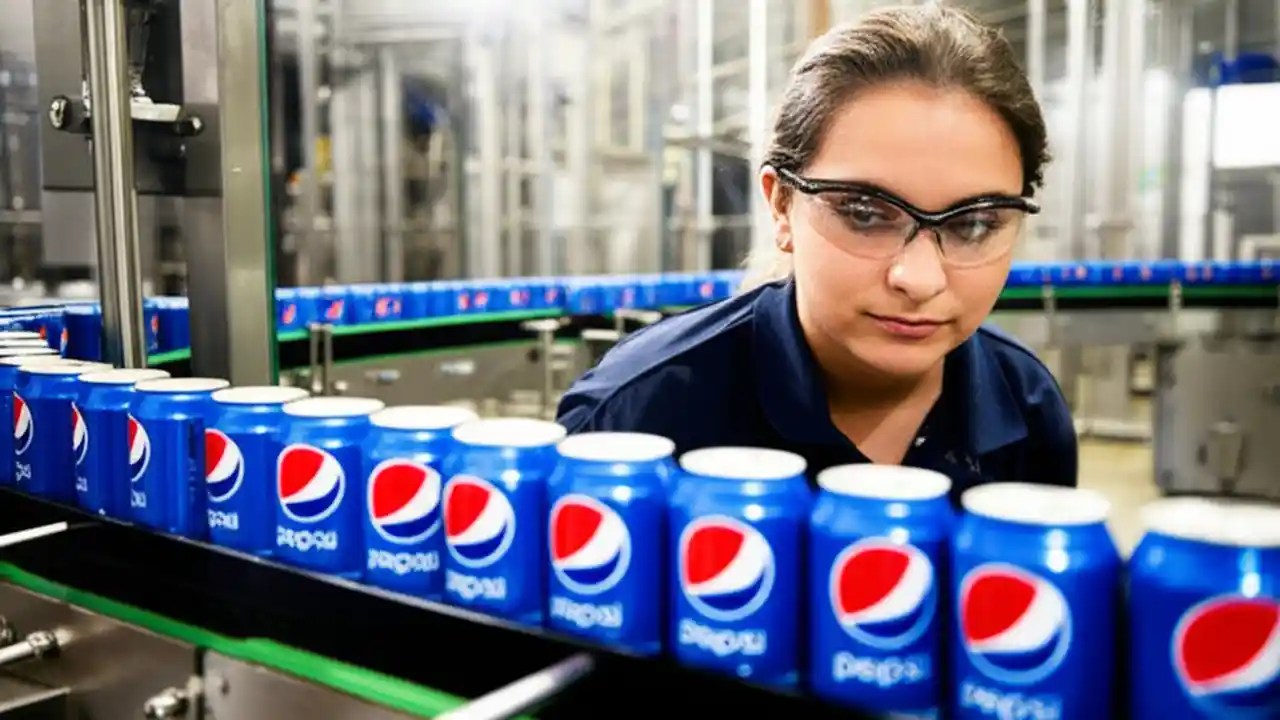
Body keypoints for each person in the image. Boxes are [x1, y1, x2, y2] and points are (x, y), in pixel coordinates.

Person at [556, 4, 1076, 495]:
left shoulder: (1027, 410)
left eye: (975, 224)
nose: (920, 279)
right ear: (781, 204)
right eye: (866, 214)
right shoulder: (635, 419)